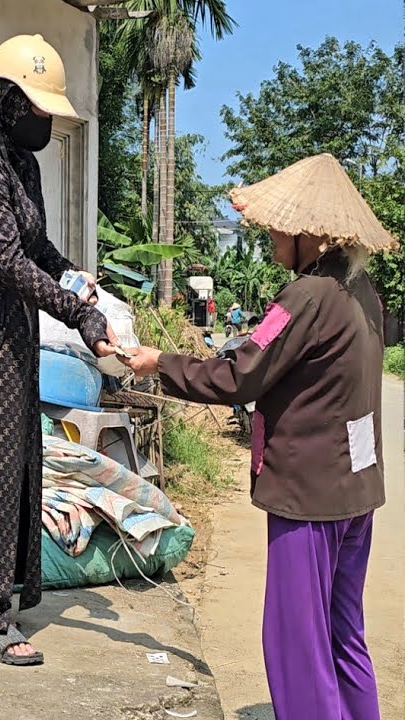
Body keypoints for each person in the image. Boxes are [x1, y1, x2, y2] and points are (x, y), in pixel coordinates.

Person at [122, 153, 392, 720]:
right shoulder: (363, 291)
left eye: (278, 225)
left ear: (308, 235)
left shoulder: (305, 297)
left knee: (298, 645)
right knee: (344, 635)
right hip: (355, 493)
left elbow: (239, 374)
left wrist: (158, 362)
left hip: (309, 496)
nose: (270, 234)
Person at [0, 34, 117, 666]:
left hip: (14, 338)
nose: (42, 120)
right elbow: (5, 262)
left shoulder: (21, 164)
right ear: (4, 100)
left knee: (13, 469)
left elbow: (37, 252)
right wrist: (76, 310)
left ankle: (0, 597)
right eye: (34, 108)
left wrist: (74, 277)